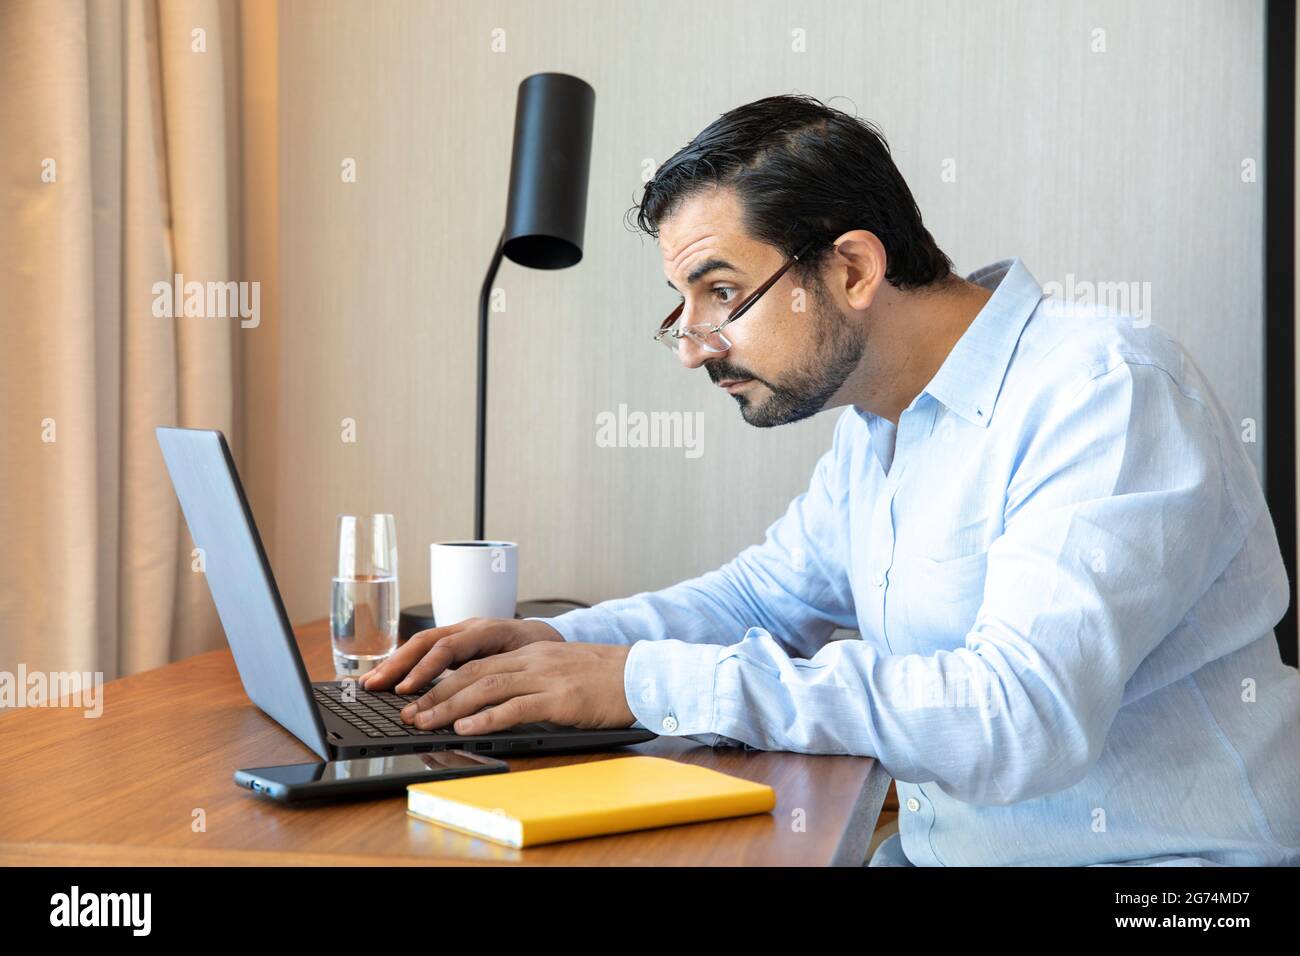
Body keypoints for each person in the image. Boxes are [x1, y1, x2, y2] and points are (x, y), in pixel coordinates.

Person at [362, 94, 1300, 866]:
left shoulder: (1104, 391)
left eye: (722, 293)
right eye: (682, 306)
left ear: (850, 268)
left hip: (1173, 881)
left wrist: (642, 681)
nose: (693, 348)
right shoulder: (879, 423)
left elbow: (1021, 716)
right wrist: (548, 650)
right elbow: (765, 597)